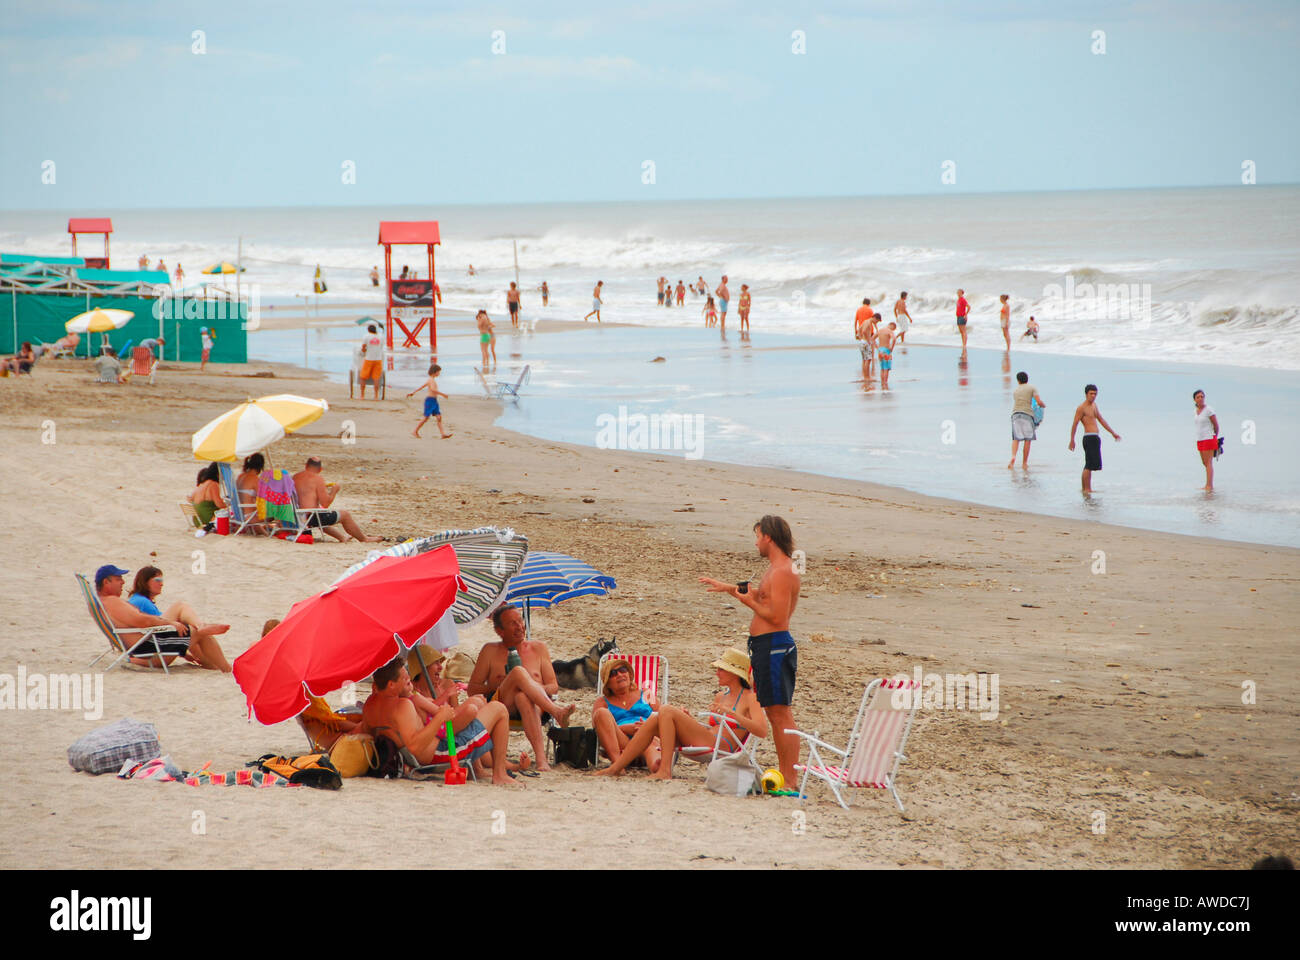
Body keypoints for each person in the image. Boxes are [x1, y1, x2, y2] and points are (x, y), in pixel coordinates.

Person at [699, 516, 801, 788]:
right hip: (765, 646)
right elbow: (762, 598)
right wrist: (730, 589)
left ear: (768, 536)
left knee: (780, 714)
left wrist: (747, 602)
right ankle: (786, 775)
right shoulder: (776, 568)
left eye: (757, 536)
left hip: (775, 646)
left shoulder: (781, 571)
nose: (756, 542)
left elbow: (776, 616)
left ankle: (789, 779)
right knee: (774, 711)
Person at [595, 648, 768, 779]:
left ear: (734, 673)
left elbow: (762, 731)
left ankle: (664, 770)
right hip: (706, 737)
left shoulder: (751, 698)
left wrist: (733, 714)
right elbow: (710, 727)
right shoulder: (720, 696)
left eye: (721, 669)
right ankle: (616, 768)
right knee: (656, 718)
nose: (717, 673)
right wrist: (688, 719)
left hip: (721, 745)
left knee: (666, 710)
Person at [359, 656, 518, 786]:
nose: (410, 682)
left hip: (415, 758)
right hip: (442, 753)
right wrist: (440, 718)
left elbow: (365, 733)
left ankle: (481, 768)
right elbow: (415, 747)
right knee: (499, 709)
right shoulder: (403, 705)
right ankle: (500, 774)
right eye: (406, 681)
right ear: (391, 685)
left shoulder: (371, 704)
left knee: (474, 708)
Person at [467, 606, 577, 773]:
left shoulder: (539, 648)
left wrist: (530, 686)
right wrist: (503, 682)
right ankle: (557, 712)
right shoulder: (490, 650)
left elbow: (553, 686)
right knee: (518, 672)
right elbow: (472, 689)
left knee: (523, 696)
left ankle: (541, 760)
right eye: (513, 623)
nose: (520, 626)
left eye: (520, 621)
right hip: (503, 704)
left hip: (536, 705)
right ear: (500, 631)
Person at [94, 564, 228, 672]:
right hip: (152, 650)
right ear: (106, 582)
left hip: (145, 647)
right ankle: (227, 670)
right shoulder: (112, 601)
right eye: (118, 579)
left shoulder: (104, 603)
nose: (123, 582)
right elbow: (143, 621)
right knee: (197, 632)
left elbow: (139, 621)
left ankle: (215, 665)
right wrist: (171, 623)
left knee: (190, 626)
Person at [591, 658, 662, 772]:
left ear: (629, 674)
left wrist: (648, 728)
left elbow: (662, 717)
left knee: (649, 742)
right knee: (601, 713)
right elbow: (599, 729)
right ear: (607, 683)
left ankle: (657, 765)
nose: (619, 675)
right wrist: (625, 728)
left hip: (648, 739)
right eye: (613, 673)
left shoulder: (647, 694)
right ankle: (618, 766)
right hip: (623, 742)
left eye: (623, 670)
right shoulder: (602, 702)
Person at [292, 455, 382, 541]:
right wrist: (334, 490)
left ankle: (342, 537)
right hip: (310, 517)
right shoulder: (317, 479)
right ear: (320, 469)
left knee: (319, 514)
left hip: (297, 516)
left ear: (306, 466)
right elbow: (325, 503)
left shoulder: (295, 477)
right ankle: (364, 539)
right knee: (345, 515)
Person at [1068, 384, 1121, 493]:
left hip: (1095, 437)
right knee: (1089, 464)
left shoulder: (1094, 406)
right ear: (1086, 394)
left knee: (1090, 464)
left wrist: (1113, 433)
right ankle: (1087, 489)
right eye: (1091, 394)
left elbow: (1101, 420)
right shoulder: (1081, 408)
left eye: (1095, 394)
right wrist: (1072, 440)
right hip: (1089, 437)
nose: (1093, 396)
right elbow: (1075, 424)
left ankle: (1085, 489)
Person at [1008, 371, 1045, 469]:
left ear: (1018, 380)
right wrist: (1043, 405)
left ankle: (1013, 457)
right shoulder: (1032, 388)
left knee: (1016, 438)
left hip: (1015, 415)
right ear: (1027, 379)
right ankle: (1024, 463)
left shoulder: (1015, 391)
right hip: (1027, 415)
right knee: (1027, 440)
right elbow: (1038, 401)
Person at [408, 363, 452, 439]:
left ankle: (443, 434)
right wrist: (443, 394)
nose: (439, 373)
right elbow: (432, 389)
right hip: (430, 401)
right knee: (426, 418)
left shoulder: (431, 380)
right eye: (438, 372)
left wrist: (413, 392)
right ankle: (415, 431)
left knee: (439, 417)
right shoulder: (431, 380)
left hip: (434, 401)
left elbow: (422, 387)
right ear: (435, 372)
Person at [1192, 389, 1221, 491]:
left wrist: (1215, 437)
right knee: (1204, 462)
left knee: (1208, 462)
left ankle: (1209, 486)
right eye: (1198, 397)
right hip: (1200, 439)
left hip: (1209, 438)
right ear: (1194, 400)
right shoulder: (1195, 411)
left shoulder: (1209, 410)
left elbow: (1216, 425)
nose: (1200, 399)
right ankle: (1207, 485)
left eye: (1202, 396)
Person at [235, 452, 271, 531]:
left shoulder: (240, 477)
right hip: (249, 517)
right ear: (260, 466)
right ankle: (278, 529)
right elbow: (265, 499)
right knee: (275, 512)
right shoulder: (255, 479)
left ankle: (263, 529)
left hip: (238, 515)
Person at [189, 462, 227, 529]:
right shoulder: (213, 484)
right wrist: (229, 505)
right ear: (218, 473)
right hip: (207, 519)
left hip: (197, 521)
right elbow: (219, 504)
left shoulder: (202, 484)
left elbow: (190, 498)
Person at [358, 323, 384, 399]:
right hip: (378, 359)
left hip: (369, 359)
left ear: (368, 330)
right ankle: (376, 396)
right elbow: (381, 347)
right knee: (376, 378)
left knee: (363, 377)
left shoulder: (367, 336)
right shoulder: (381, 337)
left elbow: (363, 347)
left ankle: (362, 395)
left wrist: (363, 351)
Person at [854, 298, 876, 379]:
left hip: (860, 332)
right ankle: (871, 361)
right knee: (870, 348)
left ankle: (865, 370)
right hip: (868, 331)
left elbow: (855, 321)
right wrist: (876, 330)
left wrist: (855, 332)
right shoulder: (870, 310)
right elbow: (873, 320)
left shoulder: (858, 310)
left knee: (863, 353)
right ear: (869, 303)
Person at [877, 320, 899, 389]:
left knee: (882, 368)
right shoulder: (889, 331)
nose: (893, 330)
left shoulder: (880, 330)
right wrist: (891, 348)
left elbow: (872, 339)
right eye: (893, 329)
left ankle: (882, 382)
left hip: (880, 350)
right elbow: (894, 339)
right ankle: (885, 382)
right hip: (886, 351)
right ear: (892, 326)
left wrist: (877, 348)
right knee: (886, 368)